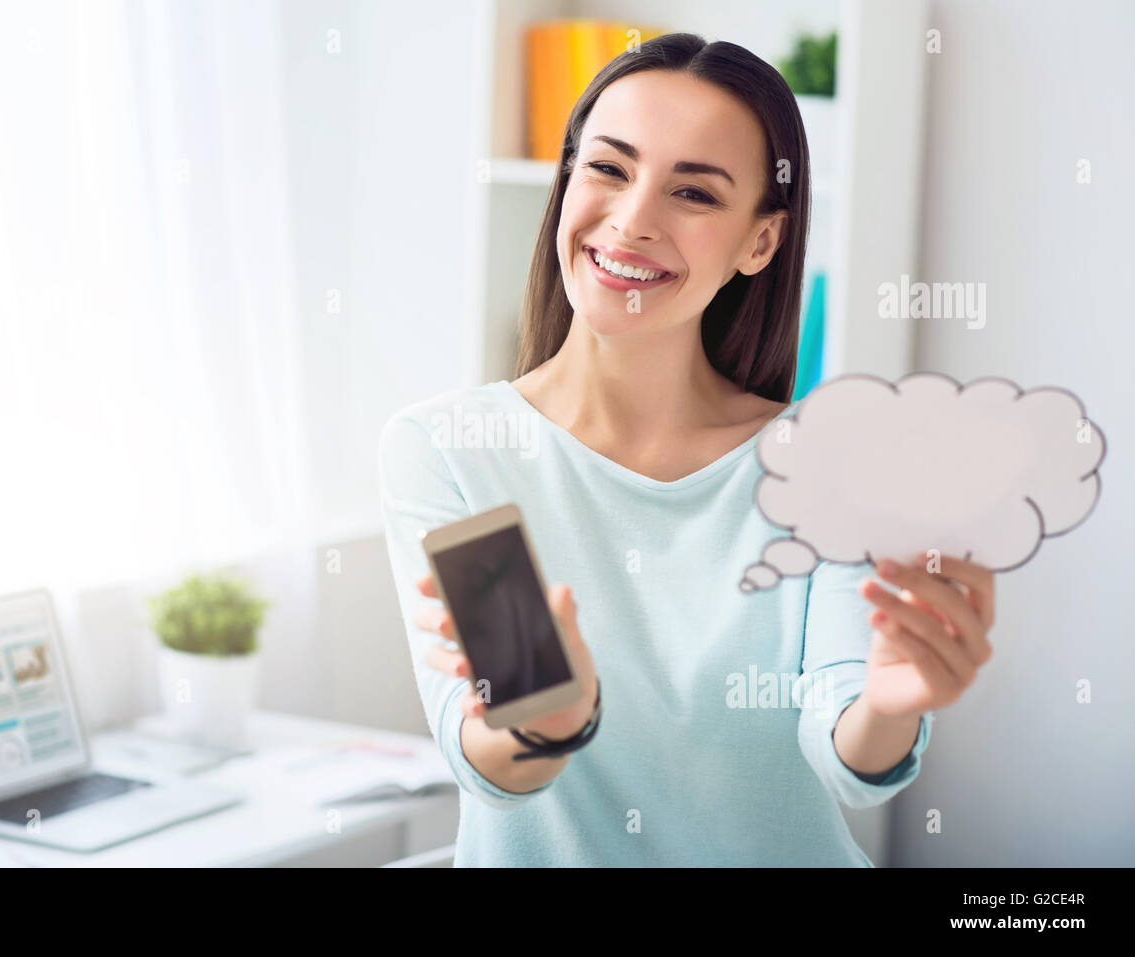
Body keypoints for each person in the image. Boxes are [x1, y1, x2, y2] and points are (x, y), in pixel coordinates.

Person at [377, 33, 995, 866]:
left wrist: (892, 704)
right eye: (607, 168)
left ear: (760, 243)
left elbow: (851, 755)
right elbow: (491, 755)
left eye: (694, 193)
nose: (632, 220)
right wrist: (544, 722)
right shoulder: (455, 449)